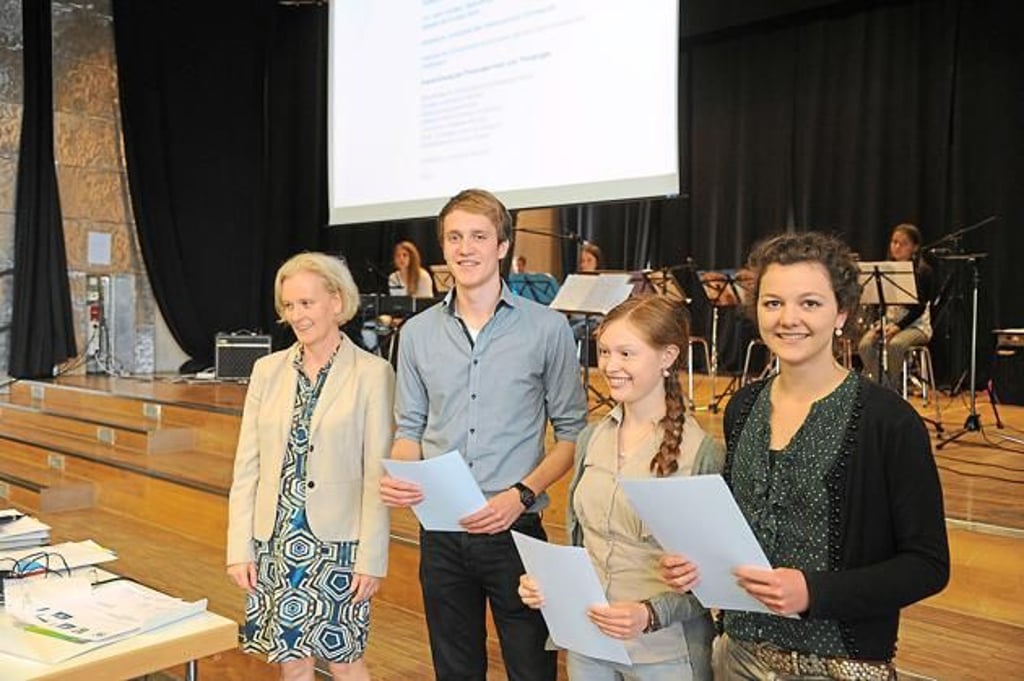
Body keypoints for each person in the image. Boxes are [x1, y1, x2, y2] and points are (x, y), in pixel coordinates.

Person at [661, 232, 949, 680]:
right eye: (773, 303)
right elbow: (740, 531)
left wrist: (815, 591)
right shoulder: (743, 407)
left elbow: (927, 566)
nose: (788, 318)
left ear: (842, 313)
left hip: (838, 667)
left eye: (810, 303)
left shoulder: (888, 421)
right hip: (736, 656)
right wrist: (696, 563)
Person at [379, 188, 587, 681]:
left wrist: (521, 495)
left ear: (502, 246)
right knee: (455, 671)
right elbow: (409, 429)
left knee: (531, 670)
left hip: (515, 526)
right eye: (454, 237)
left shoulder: (547, 329)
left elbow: (572, 435)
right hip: (441, 531)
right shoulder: (416, 333)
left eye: (478, 236)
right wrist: (400, 472)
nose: (465, 248)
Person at [518, 295, 721, 681]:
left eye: (626, 353)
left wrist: (650, 613)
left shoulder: (701, 452)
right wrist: (550, 585)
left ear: (667, 357)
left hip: (666, 653)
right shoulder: (590, 438)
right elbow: (582, 544)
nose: (610, 366)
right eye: (605, 352)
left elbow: (716, 578)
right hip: (589, 642)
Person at [227, 252, 394, 681]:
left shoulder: (373, 374)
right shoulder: (267, 370)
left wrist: (371, 557)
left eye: (307, 303)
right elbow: (246, 468)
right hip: (276, 538)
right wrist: (239, 548)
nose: (297, 315)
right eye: (289, 305)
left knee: (345, 660)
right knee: (293, 661)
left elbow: (378, 476)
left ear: (336, 302)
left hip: (340, 544)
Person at [857, 223, 934, 385]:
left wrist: (898, 326)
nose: (897, 247)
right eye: (894, 242)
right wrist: (880, 323)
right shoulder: (885, 270)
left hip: (916, 326)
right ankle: (884, 387)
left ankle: (889, 389)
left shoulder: (923, 271)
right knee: (865, 345)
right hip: (889, 323)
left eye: (903, 243)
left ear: (915, 247)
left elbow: (919, 308)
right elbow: (879, 304)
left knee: (896, 345)